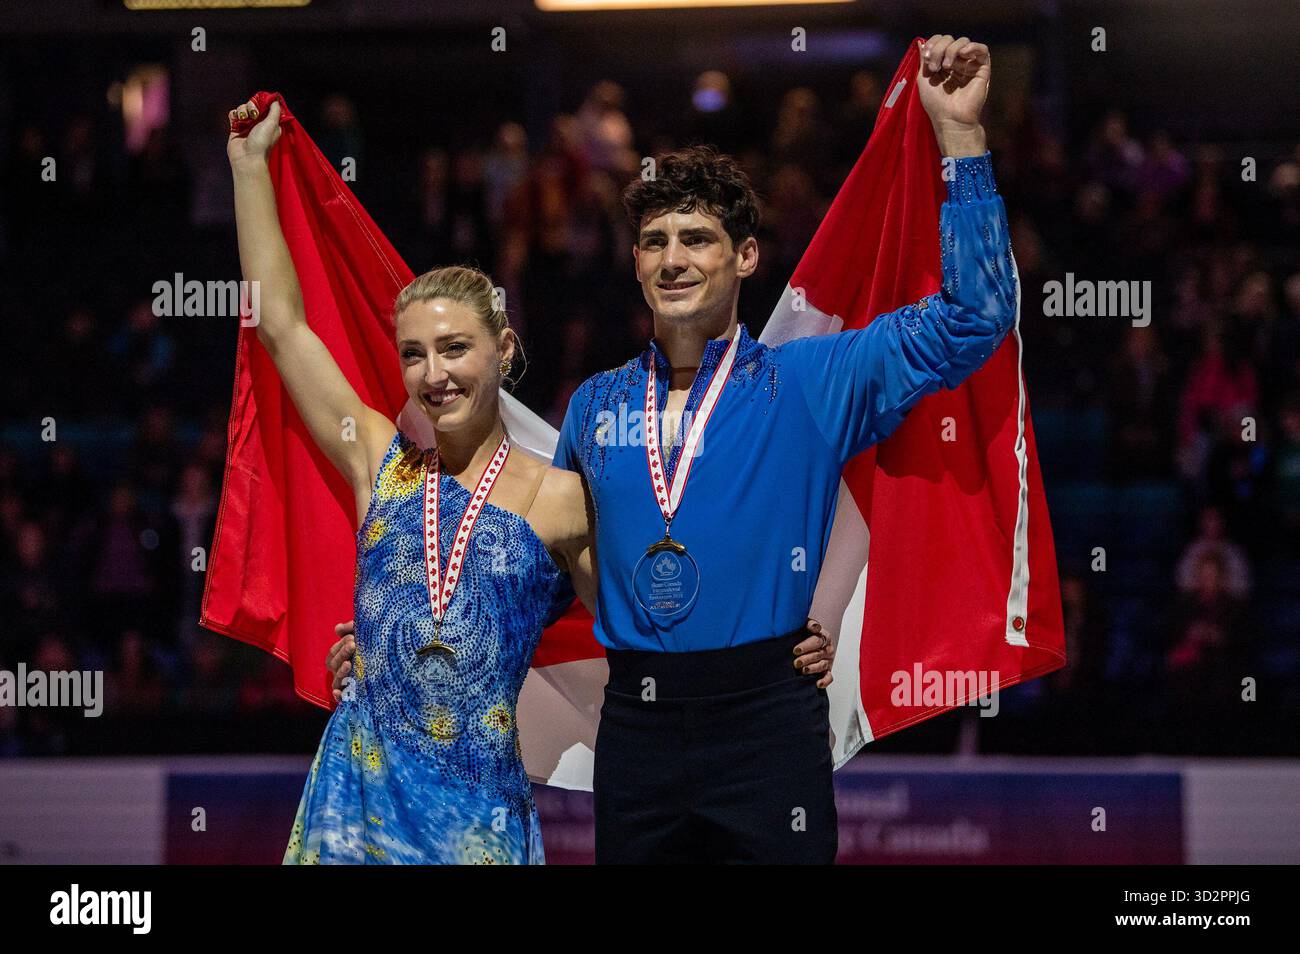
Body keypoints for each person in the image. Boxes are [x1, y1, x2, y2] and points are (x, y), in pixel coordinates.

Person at [330, 33, 1008, 864]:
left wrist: (962, 138)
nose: (673, 258)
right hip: (641, 729)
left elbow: (975, 318)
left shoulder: (812, 379)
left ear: (746, 257)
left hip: (767, 718)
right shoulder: (597, 405)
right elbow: (526, 567)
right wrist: (397, 629)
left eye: (697, 238)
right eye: (655, 241)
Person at [227, 98, 597, 864]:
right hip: (353, 807)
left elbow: (649, 639)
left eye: (455, 348)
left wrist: (788, 648)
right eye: (414, 355)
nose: (434, 375)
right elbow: (281, 324)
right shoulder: (376, 459)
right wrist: (248, 167)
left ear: (503, 349)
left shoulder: (560, 496)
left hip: (477, 824)